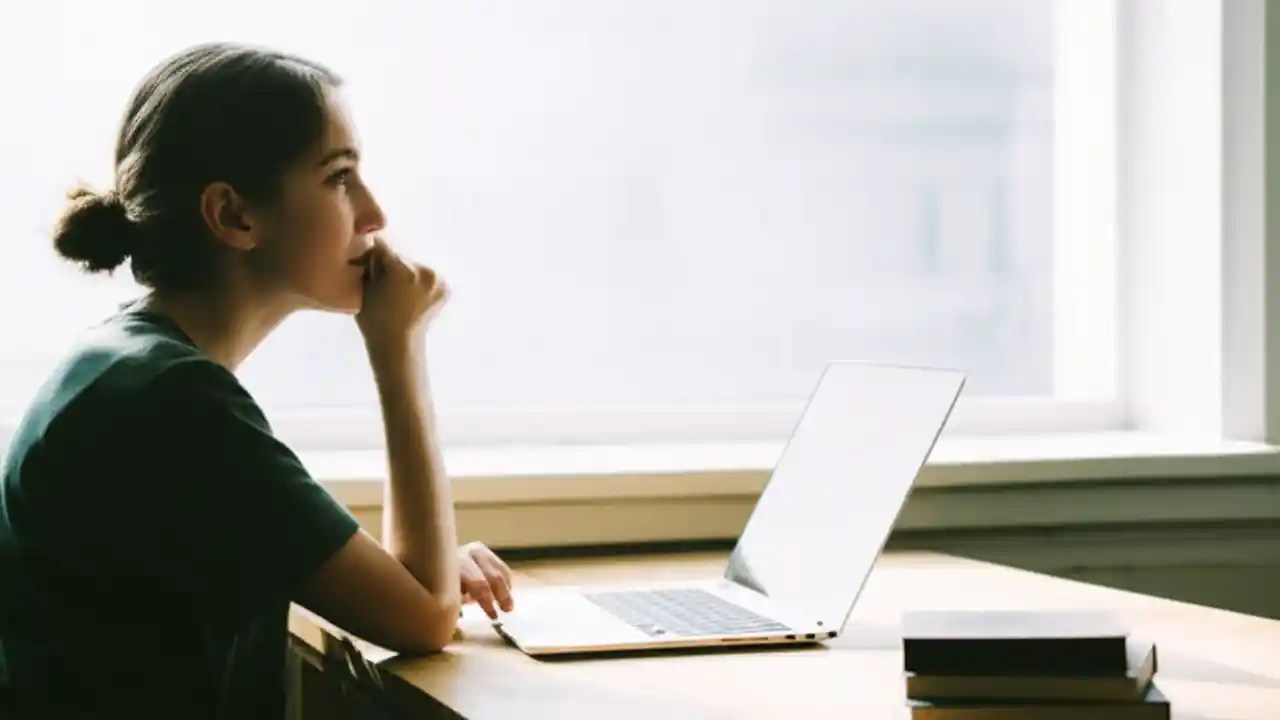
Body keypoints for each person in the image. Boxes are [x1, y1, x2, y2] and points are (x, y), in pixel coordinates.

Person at [0, 42, 515, 718]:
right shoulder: (174, 403)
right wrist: (398, 348)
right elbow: (422, 617)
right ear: (235, 216)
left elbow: (408, 592)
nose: (374, 214)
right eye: (339, 177)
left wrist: (421, 575)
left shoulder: (127, 366)